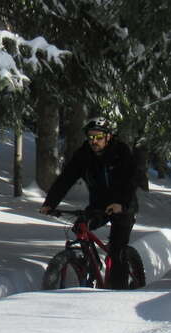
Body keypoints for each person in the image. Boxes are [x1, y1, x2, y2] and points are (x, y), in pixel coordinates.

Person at [39, 118, 146, 290]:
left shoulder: (121, 152)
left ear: (108, 137)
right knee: (80, 228)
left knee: (117, 250)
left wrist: (121, 203)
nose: (94, 141)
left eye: (98, 137)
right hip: (99, 205)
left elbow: (131, 180)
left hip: (124, 204)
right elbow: (66, 178)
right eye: (91, 137)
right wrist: (50, 203)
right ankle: (90, 264)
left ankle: (118, 292)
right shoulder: (84, 154)